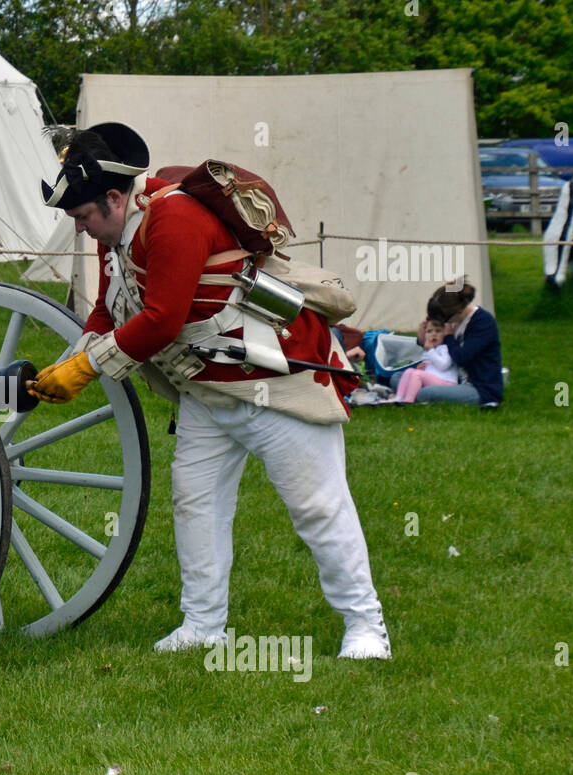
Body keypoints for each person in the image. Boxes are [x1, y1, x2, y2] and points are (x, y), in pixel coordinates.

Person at [30, 123, 390, 659]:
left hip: (272, 382)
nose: (82, 230)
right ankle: (202, 624)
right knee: (196, 506)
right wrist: (68, 363)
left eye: (82, 218)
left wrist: (86, 369)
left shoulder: (172, 217)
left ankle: (365, 626)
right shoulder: (120, 229)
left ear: (112, 196)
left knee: (318, 507)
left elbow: (161, 320)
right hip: (206, 389)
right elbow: (110, 308)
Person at [412, 281, 503, 407]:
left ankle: (411, 393)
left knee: (425, 393)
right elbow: (438, 349)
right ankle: (411, 390)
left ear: (458, 310)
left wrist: (449, 336)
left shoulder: (483, 322)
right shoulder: (453, 320)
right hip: (447, 376)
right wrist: (422, 338)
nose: (441, 322)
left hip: (478, 387)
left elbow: (462, 358)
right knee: (399, 377)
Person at [393, 318, 457, 402]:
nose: (433, 334)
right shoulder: (429, 350)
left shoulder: (445, 348)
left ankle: (408, 401)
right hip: (434, 380)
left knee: (417, 375)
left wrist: (430, 350)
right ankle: (398, 398)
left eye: (438, 331)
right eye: (429, 331)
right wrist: (423, 368)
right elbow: (431, 368)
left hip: (447, 382)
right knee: (409, 371)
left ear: (445, 333)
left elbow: (443, 366)